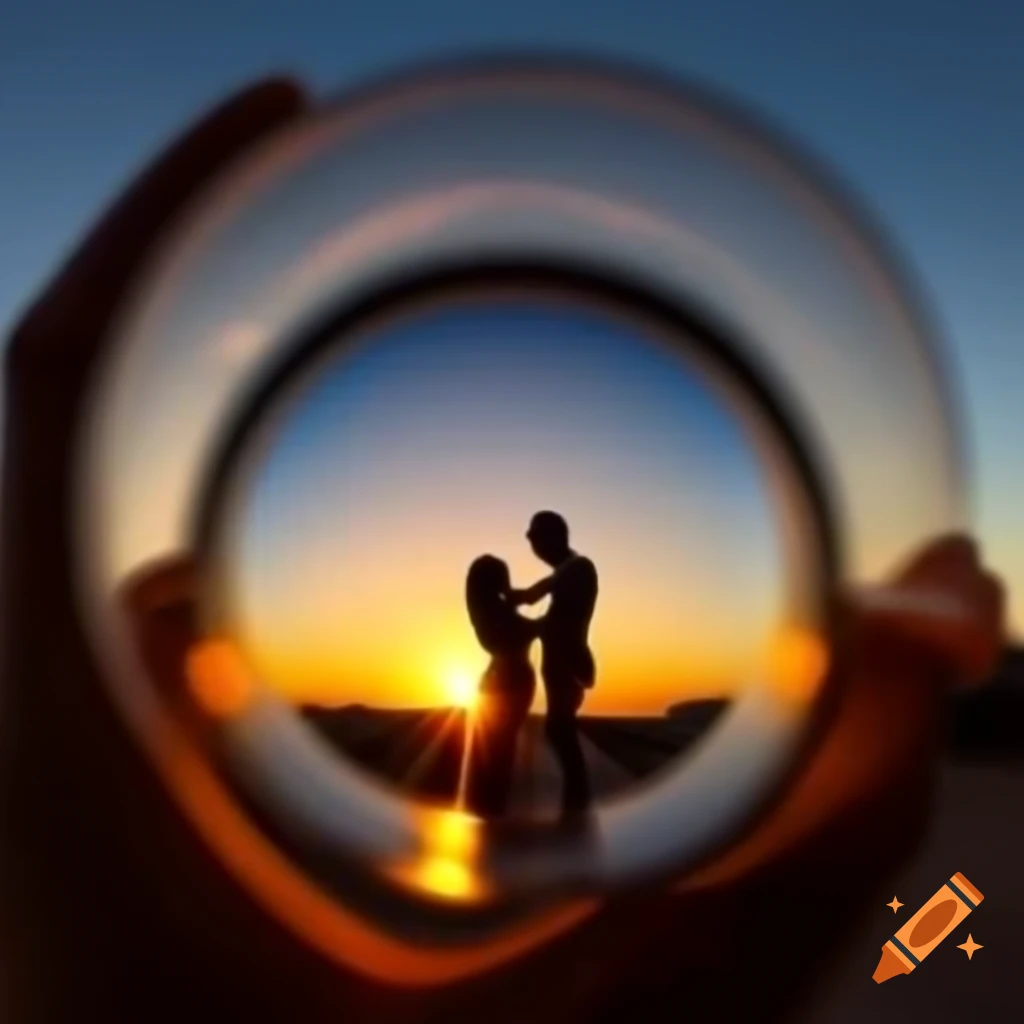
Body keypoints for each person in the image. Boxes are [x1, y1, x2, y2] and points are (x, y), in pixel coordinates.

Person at [0, 78, 1006, 1023]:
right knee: (541, 734)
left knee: (553, 731)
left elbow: (539, 602)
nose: (532, 546)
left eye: (538, 536)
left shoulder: (558, 577)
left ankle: (543, 813)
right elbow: (524, 599)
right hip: (535, 659)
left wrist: (510, 595)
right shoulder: (545, 578)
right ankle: (536, 812)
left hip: (557, 661)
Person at [512, 511, 598, 815]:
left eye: (535, 538)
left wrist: (524, 626)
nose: (533, 546)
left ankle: (577, 812)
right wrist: (515, 598)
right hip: (561, 666)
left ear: (555, 537)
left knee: (559, 730)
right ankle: (576, 808)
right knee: (559, 730)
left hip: (568, 666)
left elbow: (558, 620)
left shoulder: (577, 569)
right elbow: (537, 592)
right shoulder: (566, 570)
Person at [464, 554, 539, 816]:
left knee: (497, 747)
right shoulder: (492, 612)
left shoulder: (488, 607)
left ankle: (489, 807)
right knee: (498, 749)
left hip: (503, 681)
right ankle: (491, 808)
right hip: (509, 682)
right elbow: (520, 631)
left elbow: (521, 610)